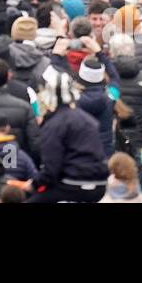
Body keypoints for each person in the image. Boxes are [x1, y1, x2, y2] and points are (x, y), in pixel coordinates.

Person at [28, 67, 108, 203]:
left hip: (72, 185)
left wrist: (33, 184)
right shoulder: (88, 119)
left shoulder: (54, 124)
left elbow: (51, 169)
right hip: (100, 184)